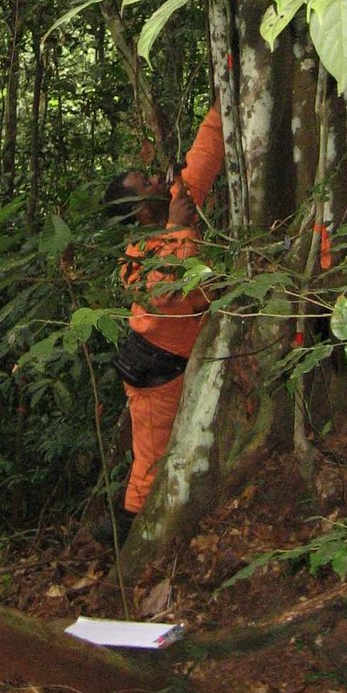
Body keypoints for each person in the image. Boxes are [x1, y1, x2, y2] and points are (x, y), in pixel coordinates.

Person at [105, 104, 225, 532]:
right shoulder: (133, 259)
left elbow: (204, 157)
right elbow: (170, 292)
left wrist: (222, 103)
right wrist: (177, 230)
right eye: (147, 184)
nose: (158, 179)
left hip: (183, 356)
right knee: (151, 461)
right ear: (140, 210)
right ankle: (132, 533)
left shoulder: (177, 204)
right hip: (155, 368)